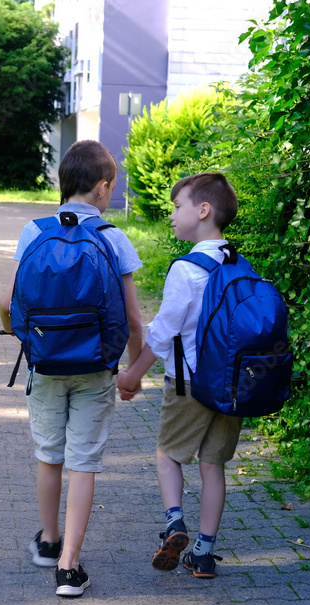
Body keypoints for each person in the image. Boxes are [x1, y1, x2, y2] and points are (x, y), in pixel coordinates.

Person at [0, 140, 143, 597]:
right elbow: (132, 318)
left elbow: (6, 301)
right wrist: (134, 370)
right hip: (97, 367)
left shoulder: (34, 231)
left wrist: (25, 337)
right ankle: (69, 567)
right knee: (84, 461)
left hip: (45, 365)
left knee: (50, 455)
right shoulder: (113, 237)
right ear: (103, 188)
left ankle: (48, 542)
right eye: (111, 187)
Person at [117, 172, 242, 579]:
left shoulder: (186, 269)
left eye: (177, 207)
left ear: (203, 210)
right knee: (212, 465)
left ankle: (174, 523)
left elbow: (164, 332)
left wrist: (132, 375)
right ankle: (203, 554)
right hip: (231, 385)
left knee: (168, 454)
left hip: (188, 384)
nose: (171, 215)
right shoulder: (238, 264)